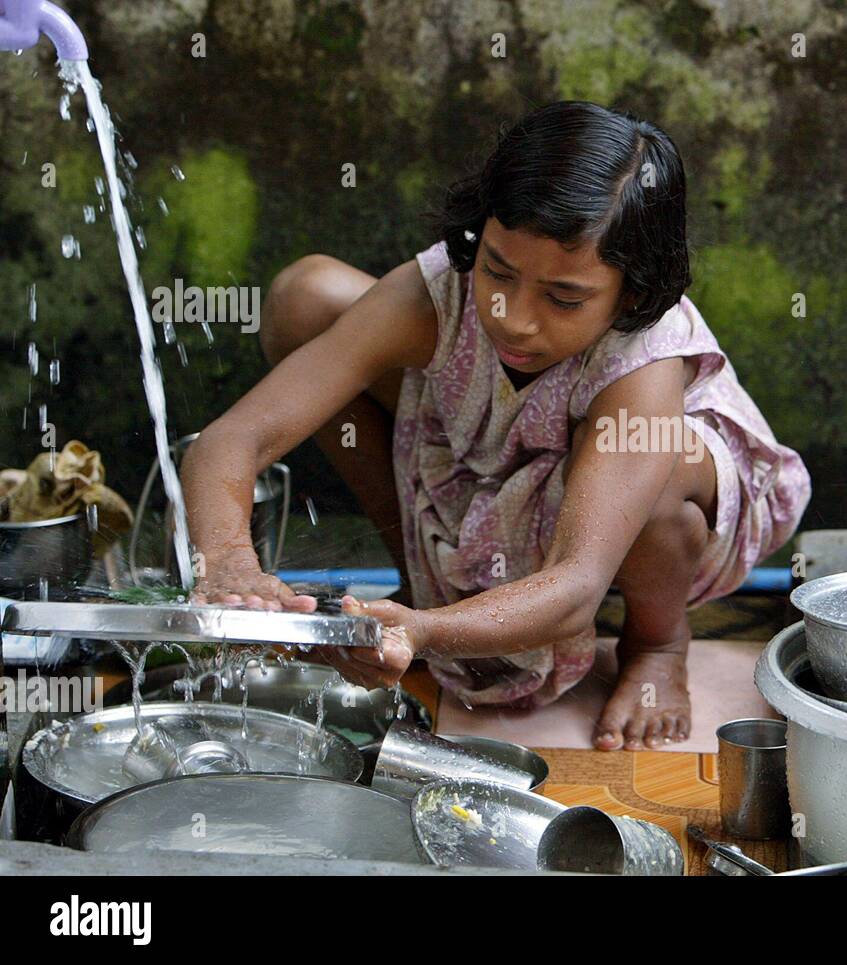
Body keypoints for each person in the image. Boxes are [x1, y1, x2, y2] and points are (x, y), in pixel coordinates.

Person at [180, 101, 811, 750]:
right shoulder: (437, 295)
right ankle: (417, 574)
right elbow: (230, 439)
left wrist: (424, 633)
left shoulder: (641, 365)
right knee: (305, 297)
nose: (515, 318)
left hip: (640, 508)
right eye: (498, 272)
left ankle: (658, 641)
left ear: (631, 291)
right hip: (483, 445)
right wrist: (227, 559)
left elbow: (575, 585)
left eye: (564, 298)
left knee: (663, 460)